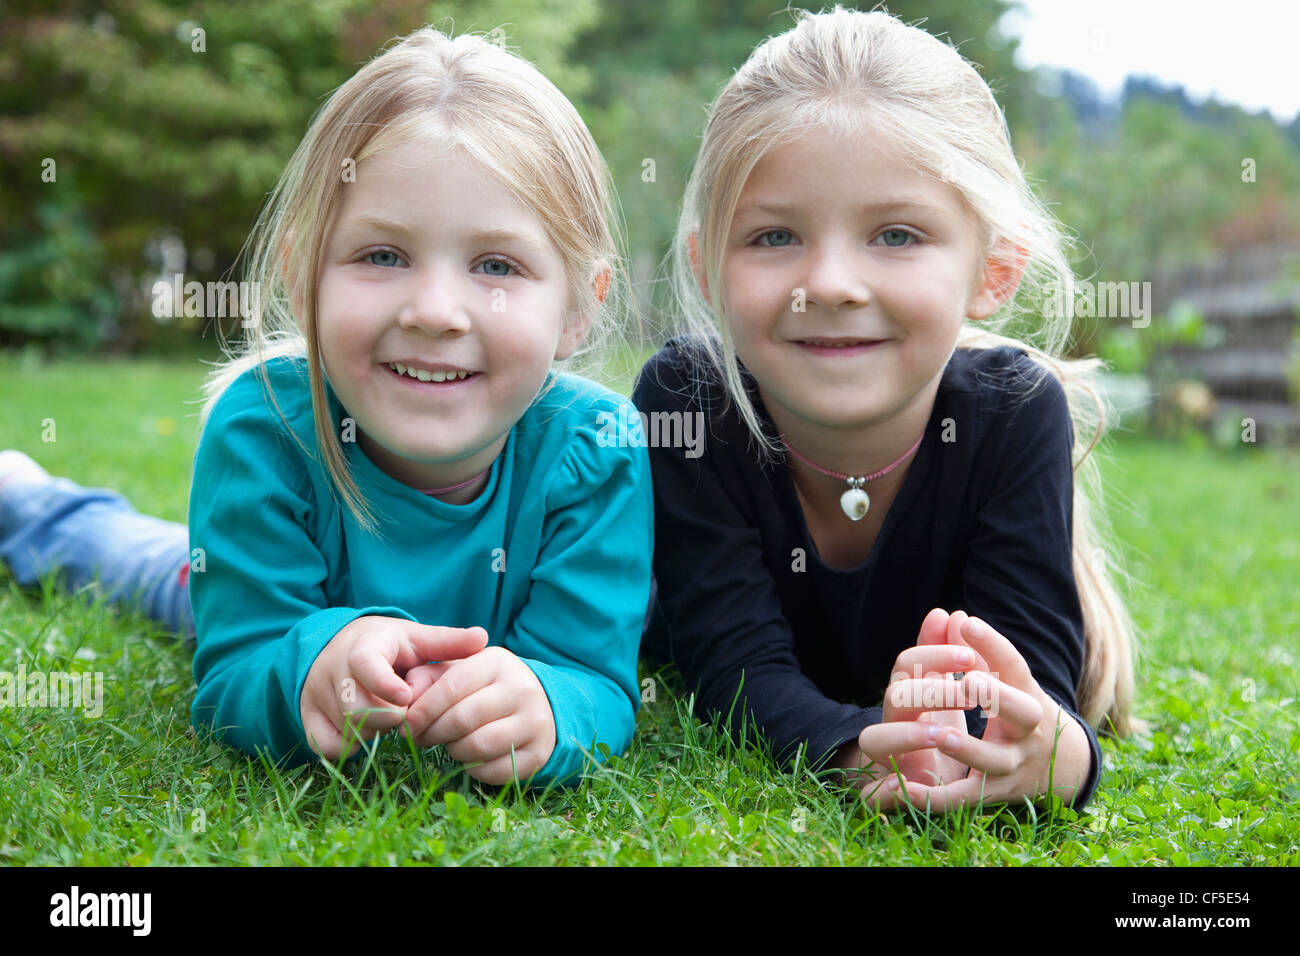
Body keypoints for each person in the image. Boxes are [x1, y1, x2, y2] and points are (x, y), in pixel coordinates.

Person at [0, 27, 652, 788]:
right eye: (383, 256)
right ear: (302, 273)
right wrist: (310, 665)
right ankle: (25, 499)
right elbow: (238, 665)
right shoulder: (267, 430)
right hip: (276, 590)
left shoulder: (597, 448)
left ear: (579, 307)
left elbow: (596, 677)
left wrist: (552, 705)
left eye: (497, 265)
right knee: (147, 566)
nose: (435, 311)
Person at [633, 7, 1138, 812]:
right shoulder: (688, 404)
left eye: (897, 235)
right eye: (773, 237)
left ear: (994, 270)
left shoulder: (1012, 414)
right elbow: (733, 670)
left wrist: (1059, 761)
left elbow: (1028, 689)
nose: (830, 283)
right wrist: (867, 756)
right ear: (706, 268)